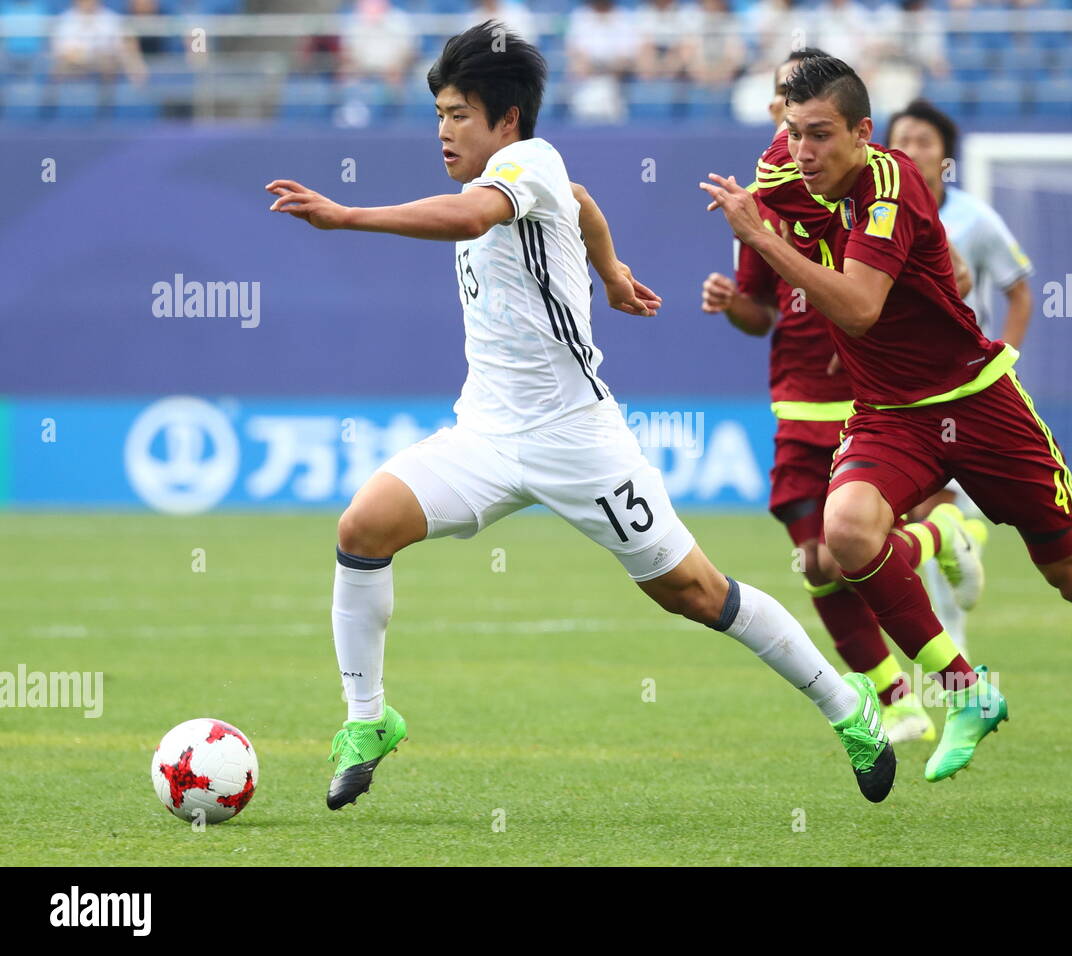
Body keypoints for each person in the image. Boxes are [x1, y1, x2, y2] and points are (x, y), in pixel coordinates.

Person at [267, 23, 899, 811]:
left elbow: (472, 221)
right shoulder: (530, 178)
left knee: (696, 593)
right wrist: (610, 274)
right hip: (486, 436)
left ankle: (851, 709)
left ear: (505, 120)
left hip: (578, 438)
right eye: (437, 114)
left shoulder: (525, 163)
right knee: (361, 529)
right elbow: (585, 206)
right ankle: (369, 720)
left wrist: (346, 216)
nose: (442, 131)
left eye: (457, 114)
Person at [701, 54, 1072, 800]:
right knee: (843, 536)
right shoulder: (782, 169)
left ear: (864, 132)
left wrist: (764, 238)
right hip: (889, 414)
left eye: (820, 135)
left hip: (978, 402)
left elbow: (859, 307)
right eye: (792, 133)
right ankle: (967, 692)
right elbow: (770, 278)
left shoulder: (895, 184)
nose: (803, 152)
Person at [699, 49, 987, 745]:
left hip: (876, 395)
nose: (794, 130)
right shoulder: (764, 198)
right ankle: (894, 698)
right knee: (817, 563)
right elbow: (758, 310)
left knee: (863, 543)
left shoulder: (876, 188)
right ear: (777, 113)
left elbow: (956, 277)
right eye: (785, 110)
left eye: (808, 120)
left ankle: (946, 539)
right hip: (800, 400)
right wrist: (731, 300)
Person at [885, 97, 1035, 654]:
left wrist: (1008, 360)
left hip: (969, 385)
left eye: (926, 140)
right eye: (903, 138)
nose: (913, 150)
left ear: (947, 155)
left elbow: (1018, 290)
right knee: (923, 516)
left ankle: (954, 651)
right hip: (904, 388)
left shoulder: (972, 218)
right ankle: (955, 648)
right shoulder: (876, 214)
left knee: (949, 510)